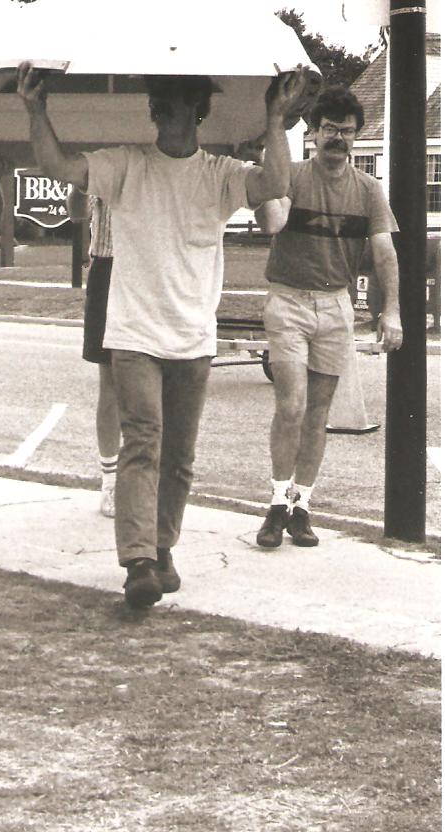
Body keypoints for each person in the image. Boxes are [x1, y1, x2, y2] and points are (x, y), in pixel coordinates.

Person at [17, 60, 310, 609]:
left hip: (193, 337)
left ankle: (163, 547)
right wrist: (36, 108)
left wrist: (275, 119)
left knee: (179, 457)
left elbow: (275, 183)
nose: (161, 115)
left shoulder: (221, 174)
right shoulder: (127, 165)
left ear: (197, 112)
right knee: (143, 443)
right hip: (132, 334)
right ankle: (139, 562)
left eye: (171, 105)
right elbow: (58, 165)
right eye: (156, 105)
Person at [254, 85, 402, 549]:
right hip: (289, 300)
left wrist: (391, 310)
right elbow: (271, 222)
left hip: (337, 304)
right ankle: (277, 502)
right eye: (330, 129)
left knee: (318, 414)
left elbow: (384, 253)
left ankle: (303, 507)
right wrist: (265, 180)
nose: (338, 138)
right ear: (315, 132)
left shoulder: (369, 190)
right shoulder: (293, 177)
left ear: (357, 137)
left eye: (348, 131)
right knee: (292, 405)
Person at [66, 188, 119, 517]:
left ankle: (145, 476)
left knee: (154, 380)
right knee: (110, 382)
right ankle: (110, 481)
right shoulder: (103, 161)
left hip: (151, 267)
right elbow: (76, 212)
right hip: (107, 266)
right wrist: (80, 182)